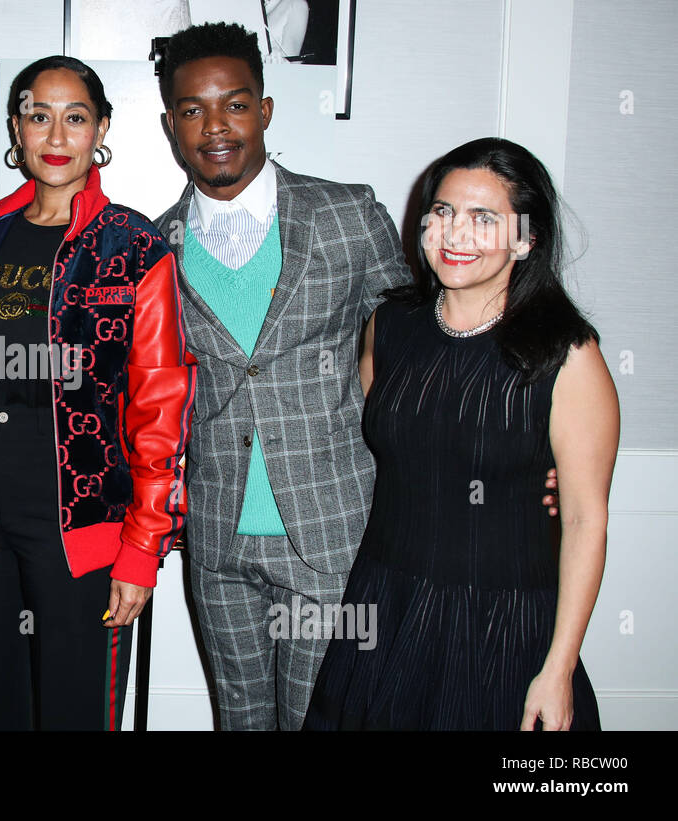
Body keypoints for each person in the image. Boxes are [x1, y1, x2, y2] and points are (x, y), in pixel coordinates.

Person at [304, 138, 617, 730]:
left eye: (484, 219)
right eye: (443, 212)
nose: (455, 234)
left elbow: (584, 519)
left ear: (525, 238)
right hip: (385, 606)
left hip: (499, 623)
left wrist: (559, 666)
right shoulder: (391, 325)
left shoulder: (565, 354)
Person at [152, 21, 413, 730]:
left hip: (330, 533)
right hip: (216, 537)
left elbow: (416, 358)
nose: (215, 126)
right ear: (171, 122)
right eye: (192, 109)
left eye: (234, 104)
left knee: (316, 718)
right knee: (238, 719)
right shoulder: (152, 245)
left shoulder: (346, 215)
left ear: (264, 109)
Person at [0, 56, 196, 731]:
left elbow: (160, 406)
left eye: (75, 117)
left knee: (75, 707)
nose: (56, 134)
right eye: (38, 115)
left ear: (101, 128)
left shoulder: (135, 247)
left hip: (78, 519)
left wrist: (144, 548)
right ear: (17, 128)